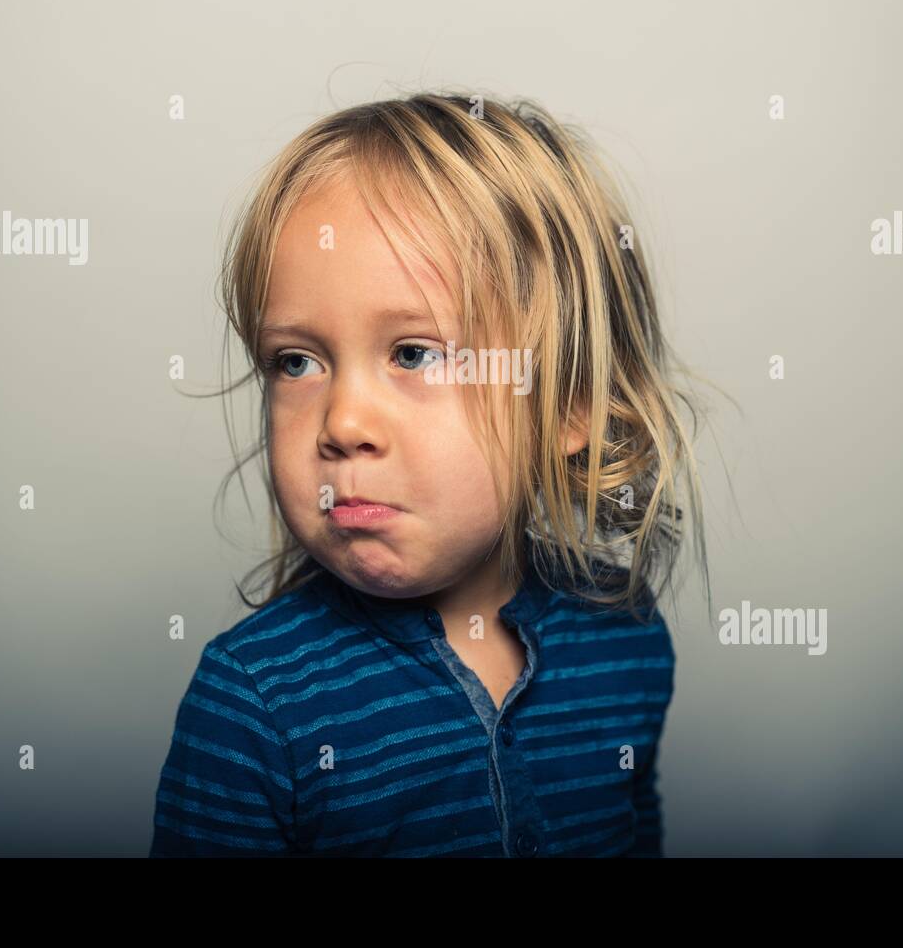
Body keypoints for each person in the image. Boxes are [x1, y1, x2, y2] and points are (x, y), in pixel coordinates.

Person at [148, 91, 714, 857]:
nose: (343, 423)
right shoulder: (255, 702)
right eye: (297, 361)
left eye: (413, 353)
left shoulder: (625, 641)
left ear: (568, 405)